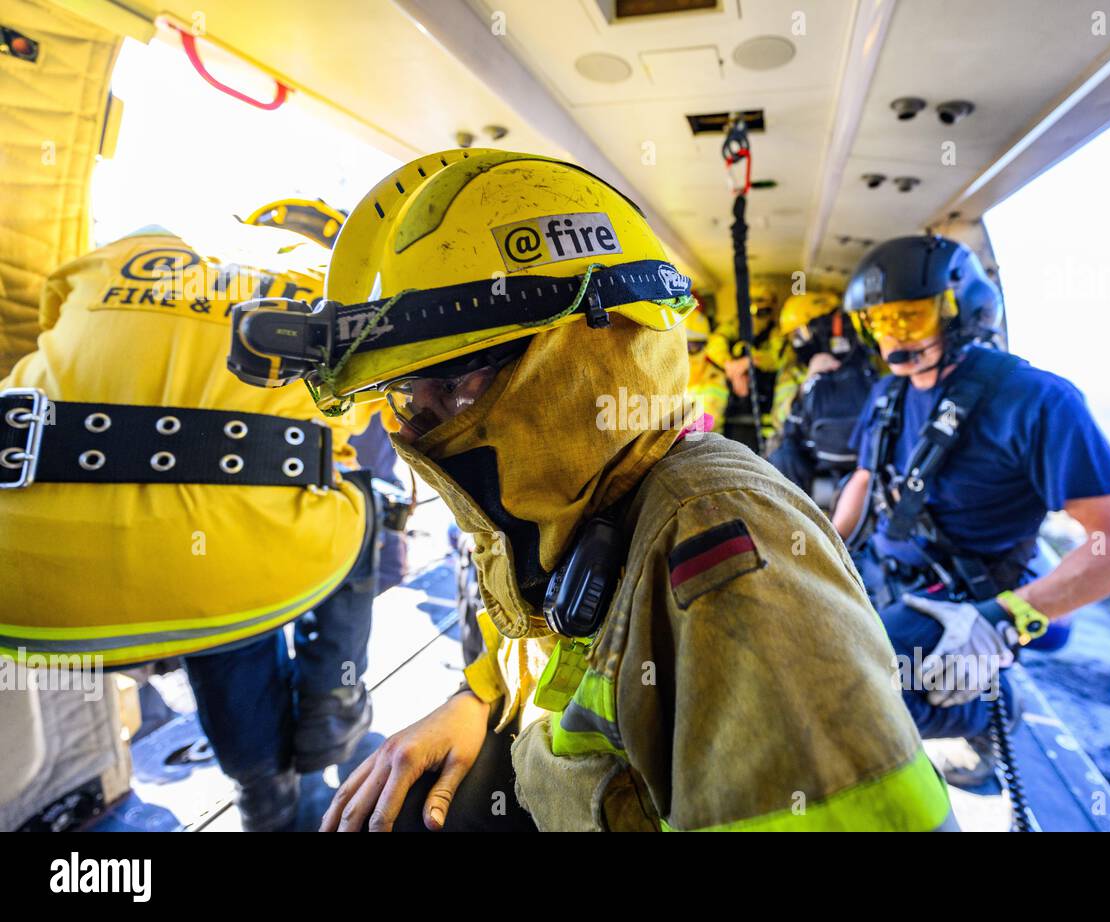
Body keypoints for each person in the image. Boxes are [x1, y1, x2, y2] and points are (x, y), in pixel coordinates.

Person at [237, 149, 953, 831]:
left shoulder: (721, 547)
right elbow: (552, 648)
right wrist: (476, 696)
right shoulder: (585, 507)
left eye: (454, 382)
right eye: (405, 395)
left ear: (591, 356)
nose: (424, 427)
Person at [0, 200, 377, 830]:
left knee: (217, 569)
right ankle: (331, 706)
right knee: (343, 493)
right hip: (231, 567)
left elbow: (46, 329)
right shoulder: (342, 293)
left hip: (24, 583)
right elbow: (361, 420)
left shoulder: (133, 246)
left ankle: (263, 789)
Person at [830, 234, 1110, 748]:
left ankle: (995, 711)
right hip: (884, 570)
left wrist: (1002, 620)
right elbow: (865, 477)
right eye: (877, 322)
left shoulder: (1036, 399)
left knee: (854, 695)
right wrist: (826, 550)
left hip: (967, 596)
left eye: (909, 319)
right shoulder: (888, 393)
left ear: (962, 312)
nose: (891, 339)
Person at [767, 290, 878, 500]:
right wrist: (809, 379)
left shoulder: (864, 356)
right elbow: (780, 419)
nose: (797, 342)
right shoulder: (794, 369)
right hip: (811, 455)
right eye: (793, 337)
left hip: (863, 452)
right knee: (782, 454)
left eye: (800, 334)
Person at [706, 279, 788, 447]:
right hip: (732, 398)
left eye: (762, 311)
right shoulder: (734, 325)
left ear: (772, 309)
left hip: (765, 397)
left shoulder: (777, 332)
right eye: (750, 311)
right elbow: (715, 343)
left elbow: (776, 357)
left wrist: (750, 361)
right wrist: (729, 365)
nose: (755, 317)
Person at [683, 306, 728, 429]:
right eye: (684, 346)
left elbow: (708, 421)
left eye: (694, 346)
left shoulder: (714, 376)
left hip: (704, 439)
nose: (688, 352)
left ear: (705, 345)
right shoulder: (669, 373)